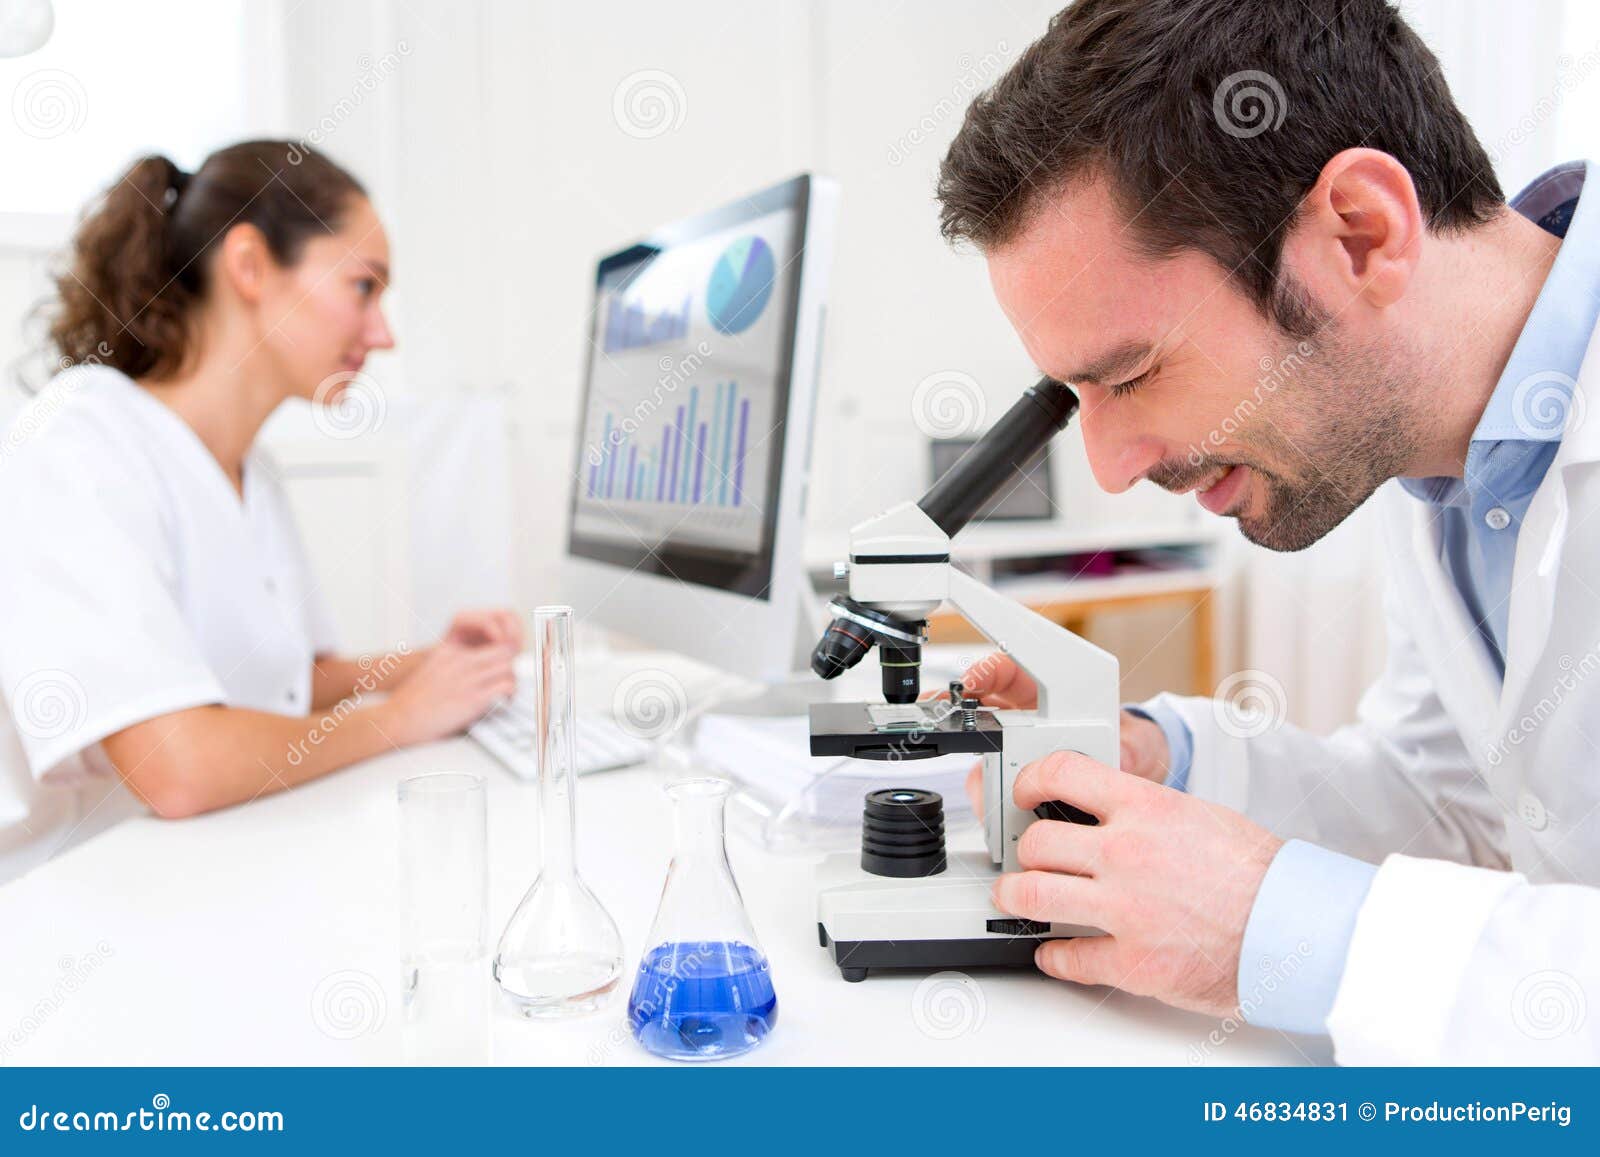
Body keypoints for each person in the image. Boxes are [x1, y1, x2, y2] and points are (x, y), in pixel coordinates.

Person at [936, 0, 1600, 1062]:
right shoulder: (1441, 458)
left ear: (1361, 233)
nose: (1109, 465)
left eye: (1134, 372)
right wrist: (1161, 760)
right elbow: (1461, 810)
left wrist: (1286, 931)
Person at [0, 141, 519, 883]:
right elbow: (175, 765)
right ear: (248, 265)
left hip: (182, 865)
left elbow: (284, 682)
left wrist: (428, 665)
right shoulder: (77, 442)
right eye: (364, 287)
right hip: (53, 896)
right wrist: (400, 718)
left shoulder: (251, 470)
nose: (383, 333)